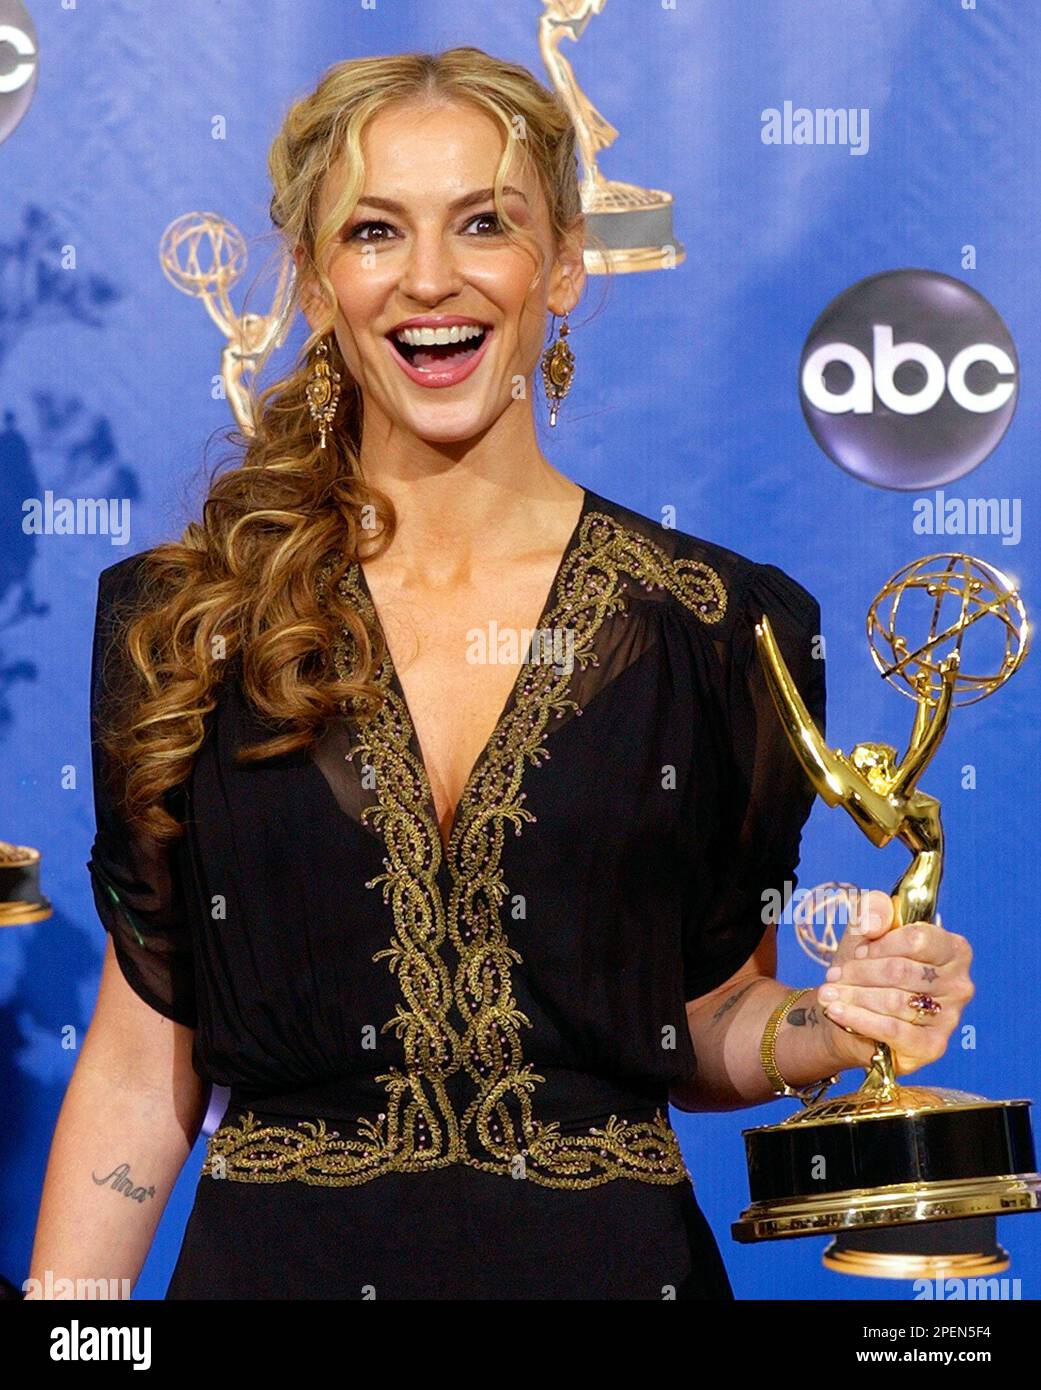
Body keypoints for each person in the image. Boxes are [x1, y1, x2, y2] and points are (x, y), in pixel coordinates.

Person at [26, 46, 974, 1301]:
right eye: (374, 230)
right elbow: (147, 1071)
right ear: (312, 281)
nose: (431, 277)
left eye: (485, 221)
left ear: (566, 264)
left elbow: (706, 1019)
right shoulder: (191, 621)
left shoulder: (717, 625)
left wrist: (830, 1025)